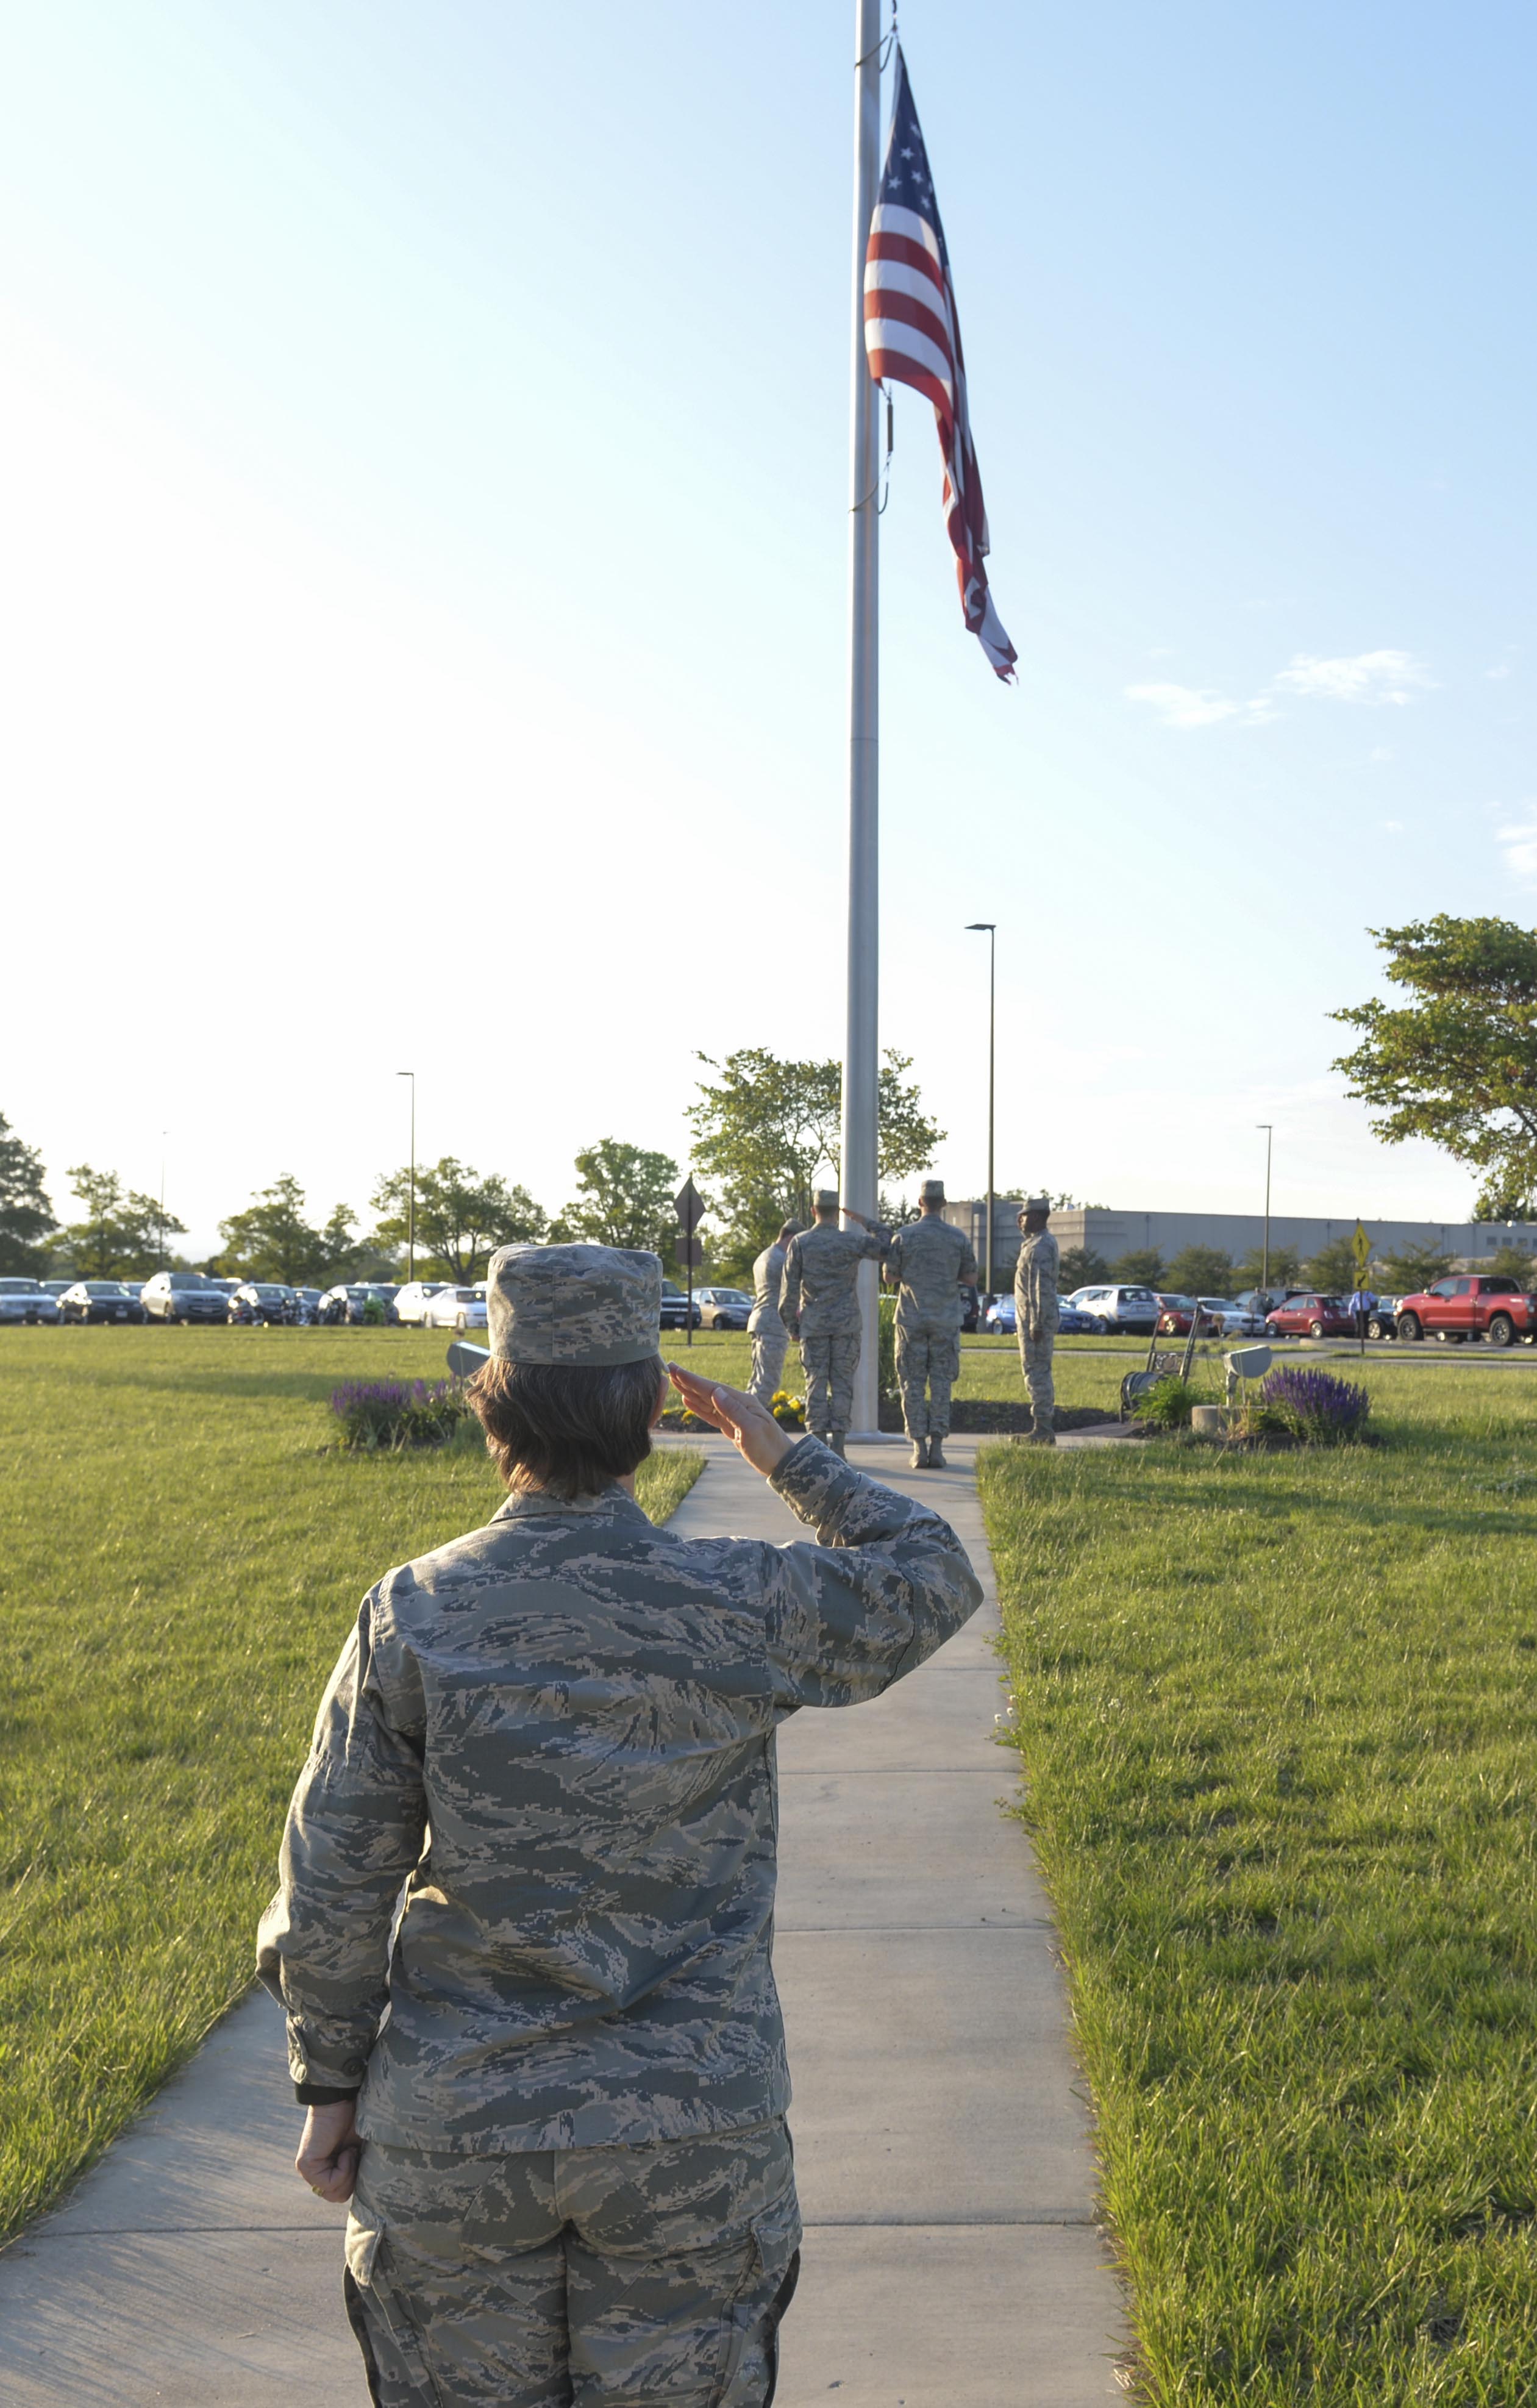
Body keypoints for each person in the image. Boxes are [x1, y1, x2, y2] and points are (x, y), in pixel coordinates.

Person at [257, 1240, 981, 2408]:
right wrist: (790, 1456)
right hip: (689, 2135)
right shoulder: (738, 1599)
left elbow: (334, 1877)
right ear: (652, 1407)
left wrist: (328, 2088)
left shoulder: (416, 1608)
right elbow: (929, 1571)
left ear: (492, 1404)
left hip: (459, 2129)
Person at [779, 1190, 890, 1455]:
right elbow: (887, 1245)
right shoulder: (851, 1241)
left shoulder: (800, 1243)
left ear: (814, 1211)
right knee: (842, 1384)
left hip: (814, 1325)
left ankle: (818, 1447)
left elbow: (788, 1294)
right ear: (836, 1212)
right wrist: (864, 1220)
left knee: (815, 1382)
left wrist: (793, 1328)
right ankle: (839, 1446)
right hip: (846, 1326)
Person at [882, 1179, 977, 1469]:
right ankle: (937, 1448)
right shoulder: (957, 1238)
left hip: (912, 1320)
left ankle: (918, 1448)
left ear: (920, 1203)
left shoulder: (904, 1236)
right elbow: (971, 1278)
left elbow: (888, 1277)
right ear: (944, 1205)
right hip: (945, 1320)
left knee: (912, 1383)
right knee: (941, 1384)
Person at [1013, 1196, 1060, 1445]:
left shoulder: (1041, 1246)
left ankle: (1043, 1429)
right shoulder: (1034, 1244)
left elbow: (1041, 1287)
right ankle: (1042, 1426)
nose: (1021, 1219)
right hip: (1030, 1319)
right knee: (1036, 1371)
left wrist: (1037, 1323)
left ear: (1040, 1217)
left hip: (1035, 1321)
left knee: (1037, 1372)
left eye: (1026, 1215)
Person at [747, 1219, 799, 1405]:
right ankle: (747, 1427)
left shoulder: (763, 1257)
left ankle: (741, 1423)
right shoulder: (781, 1260)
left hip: (760, 1321)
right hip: (773, 1325)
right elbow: (793, 1293)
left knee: (757, 1381)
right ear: (791, 1238)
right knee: (767, 1383)